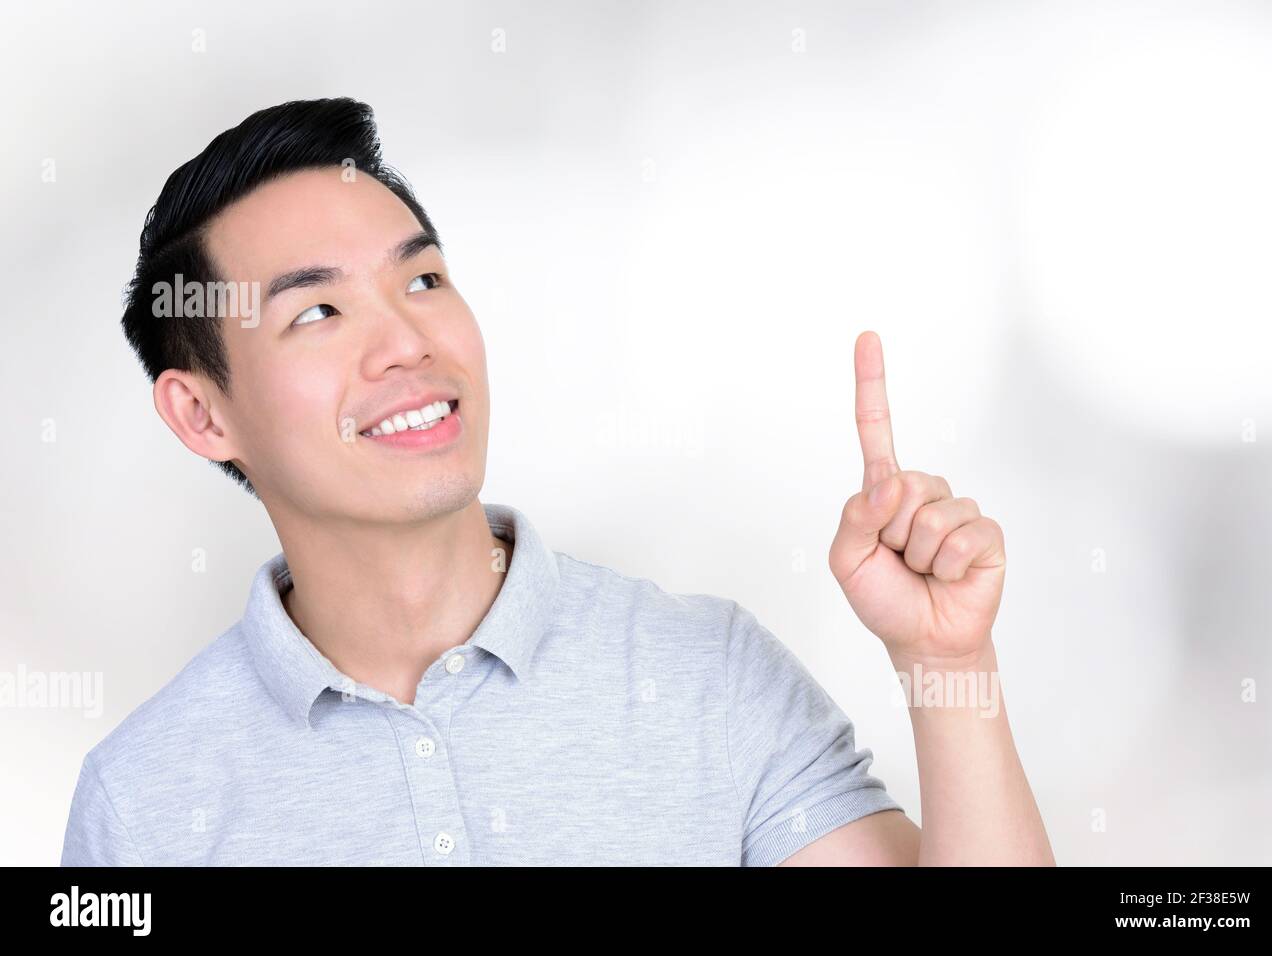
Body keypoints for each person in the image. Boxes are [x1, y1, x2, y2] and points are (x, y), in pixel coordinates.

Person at [61, 97, 1052, 866]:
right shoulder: (144, 800)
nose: (405, 343)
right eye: (317, 313)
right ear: (203, 414)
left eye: (422, 281)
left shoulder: (704, 675)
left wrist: (945, 657)